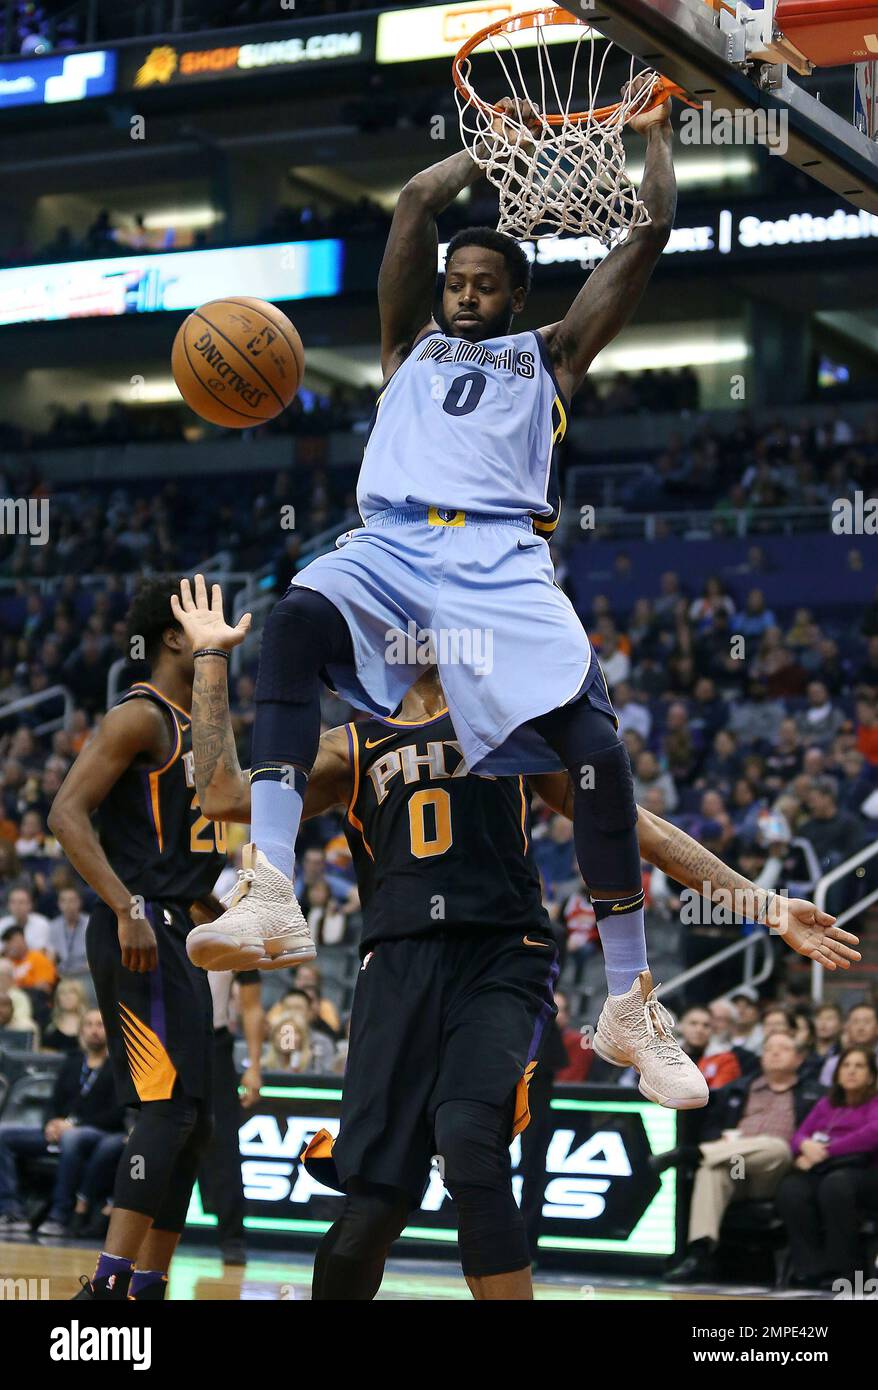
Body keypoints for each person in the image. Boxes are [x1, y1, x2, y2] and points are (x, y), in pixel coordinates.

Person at [184, 90, 703, 1111]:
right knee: (288, 622)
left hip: (501, 565)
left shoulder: (547, 358)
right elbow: (415, 203)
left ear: (513, 295)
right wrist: (485, 150)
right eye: (454, 284)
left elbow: (648, 232)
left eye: (482, 285)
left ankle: (629, 1002)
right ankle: (271, 884)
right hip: (387, 545)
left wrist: (655, 141)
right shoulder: (402, 349)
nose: (463, 295)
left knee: (595, 757)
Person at [176, 581, 856, 1301]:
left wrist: (762, 903)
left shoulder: (508, 727)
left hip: (503, 958)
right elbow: (222, 795)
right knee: (372, 1204)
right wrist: (212, 663)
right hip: (396, 967)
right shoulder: (350, 745)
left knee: (471, 1148)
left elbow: (633, 824)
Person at [47, 578, 227, 1301]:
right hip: (139, 926)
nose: (219, 632)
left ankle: (147, 1287)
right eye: (203, 620)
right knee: (169, 1109)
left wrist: (220, 907)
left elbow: (185, 849)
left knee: (196, 1120)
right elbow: (65, 813)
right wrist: (127, 907)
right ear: (175, 637)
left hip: (180, 922)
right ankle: (105, 1289)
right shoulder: (139, 716)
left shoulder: (204, 723)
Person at [659, 1032, 825, 1282]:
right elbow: (711, 1127)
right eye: (769, 1049)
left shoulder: (812, 1094)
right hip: (736, 1166)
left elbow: (819, 1134)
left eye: (783, 1049)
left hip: (775, 1172)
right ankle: (700, 1253)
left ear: (799, 1059)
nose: (775, 1053)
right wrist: (720, 1140)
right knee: (711, 1170)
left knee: (777, 1146)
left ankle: (692, 1154)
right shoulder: (739, 1088)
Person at [0, 1010, 124, 1236]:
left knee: (73, 1138)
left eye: (100, 1025)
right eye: (88, 1025)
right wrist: (51, 1123)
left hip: (98, 1133)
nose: (94, 1030)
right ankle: (12, 1210)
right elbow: (54, 1102)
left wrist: (73, 1126)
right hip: (61, 1130)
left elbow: (117, 1114)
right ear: (81, 1030)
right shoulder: (73, 1061)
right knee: (3, 1135)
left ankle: (60, 1214)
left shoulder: (119, 1066)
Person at [776, 1047, 878, 1286]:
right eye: (846, 1065)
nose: (851, 1071)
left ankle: (847, 1271)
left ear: (872, 1075)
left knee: (836, 1186)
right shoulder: (826, 1104)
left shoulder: (874, 1103)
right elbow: (798, 1136)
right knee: (791, 1189)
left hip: (866, 1172)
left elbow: (871, 1135)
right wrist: (805, 1146)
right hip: (826, 1169)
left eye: (859, 1066)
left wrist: (824, 1152)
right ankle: (810, 1269)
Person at [198, 969, 264, 1266]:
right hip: (167, 1043)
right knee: (162, 1138)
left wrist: (254, 1066)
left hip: (215, 1044)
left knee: (223, 1142)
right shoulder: (164, 923)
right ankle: (149, 1229)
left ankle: (232, 1238)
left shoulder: (237, 929)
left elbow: (251, 1005)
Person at [678, 1006, 740, 1090]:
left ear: (713, 1030)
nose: (699, 1030)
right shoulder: (663, 1054)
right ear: (681, 1026)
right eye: (693, 1023)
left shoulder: (725, 1059)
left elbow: (717, 1094)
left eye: (706, 1025)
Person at [819, 1003, 878, 1086]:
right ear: (847, 1027)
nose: (860, 1028)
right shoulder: (834, 1064)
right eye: (855, 1022)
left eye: (867, 1022)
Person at [46, 887, 90, 979]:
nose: (68, 905)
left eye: (72, 900)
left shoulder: (89, 923)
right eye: (64, 901)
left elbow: (95, 954)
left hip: (85, 972)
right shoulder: (53, 926)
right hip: (62, 974)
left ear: (79, 902)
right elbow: (51, 955)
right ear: (59, 904)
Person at [42, 978, 88, 1054]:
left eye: (72, 992)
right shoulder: (48, 1023)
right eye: (63, 993)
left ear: (80, 996)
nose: (67, 997)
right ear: (57, 998)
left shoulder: (90, 1023)